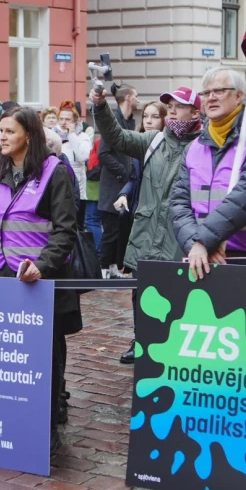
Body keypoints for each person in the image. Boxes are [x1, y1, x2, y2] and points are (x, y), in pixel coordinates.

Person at [0, 106, 79, 453]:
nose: (2, 137)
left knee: (44, 355)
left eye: (10, 131)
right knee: (12, 357)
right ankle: (11, 418)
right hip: (3, 276)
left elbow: (65, 231)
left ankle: (46, 426)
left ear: (29, 135)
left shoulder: (55, 172)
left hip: (42, 280)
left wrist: (41, 265)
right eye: (1, 130)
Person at [92, 84, 203, 363]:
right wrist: (101, 107)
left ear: (195, 112)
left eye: (179, 106)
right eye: (170, 106)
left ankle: (174, 347)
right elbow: (116, 136)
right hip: (145, 232)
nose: (173, 111)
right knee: (140, 293)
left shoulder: (202, 147)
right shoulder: (153, 140)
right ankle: (140, 341)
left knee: (179, 297)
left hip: (178, 238)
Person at [170, 68, 246, 281]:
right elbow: (179, 202)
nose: (211, 98)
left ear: (239, 96)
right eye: (206, 93)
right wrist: (194, 244)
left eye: (220, 91)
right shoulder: (194, 147)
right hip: (201, 257)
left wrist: (205, 241)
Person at [97, 85, 138, 279]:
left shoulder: (129, 122)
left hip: (123, 186)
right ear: (128, 97)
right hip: (112, 187)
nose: (138, 100)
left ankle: (113, 268)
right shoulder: (114, 120)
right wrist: (124, 172)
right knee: (110, 232)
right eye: (136, 96)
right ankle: (103, 269)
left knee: (118, 231)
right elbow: (103, 153)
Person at [115, 101, 167, 216]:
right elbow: (134, 178)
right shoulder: (138, 142)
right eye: (145, 116)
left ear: (164, 119)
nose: (148, 121)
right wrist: (123, 195)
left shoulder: (167, 145)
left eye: (155, 117)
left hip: (159, 210)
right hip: (139, 209)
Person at [58, 100, 93, 211]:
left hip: (77, 191)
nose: (63, 122)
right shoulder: (55, 137)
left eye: (67, 119)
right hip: (58, 188)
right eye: (61, 119)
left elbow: (83, 156)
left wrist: (72, 135)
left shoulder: (82, 137)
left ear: (75, 121)